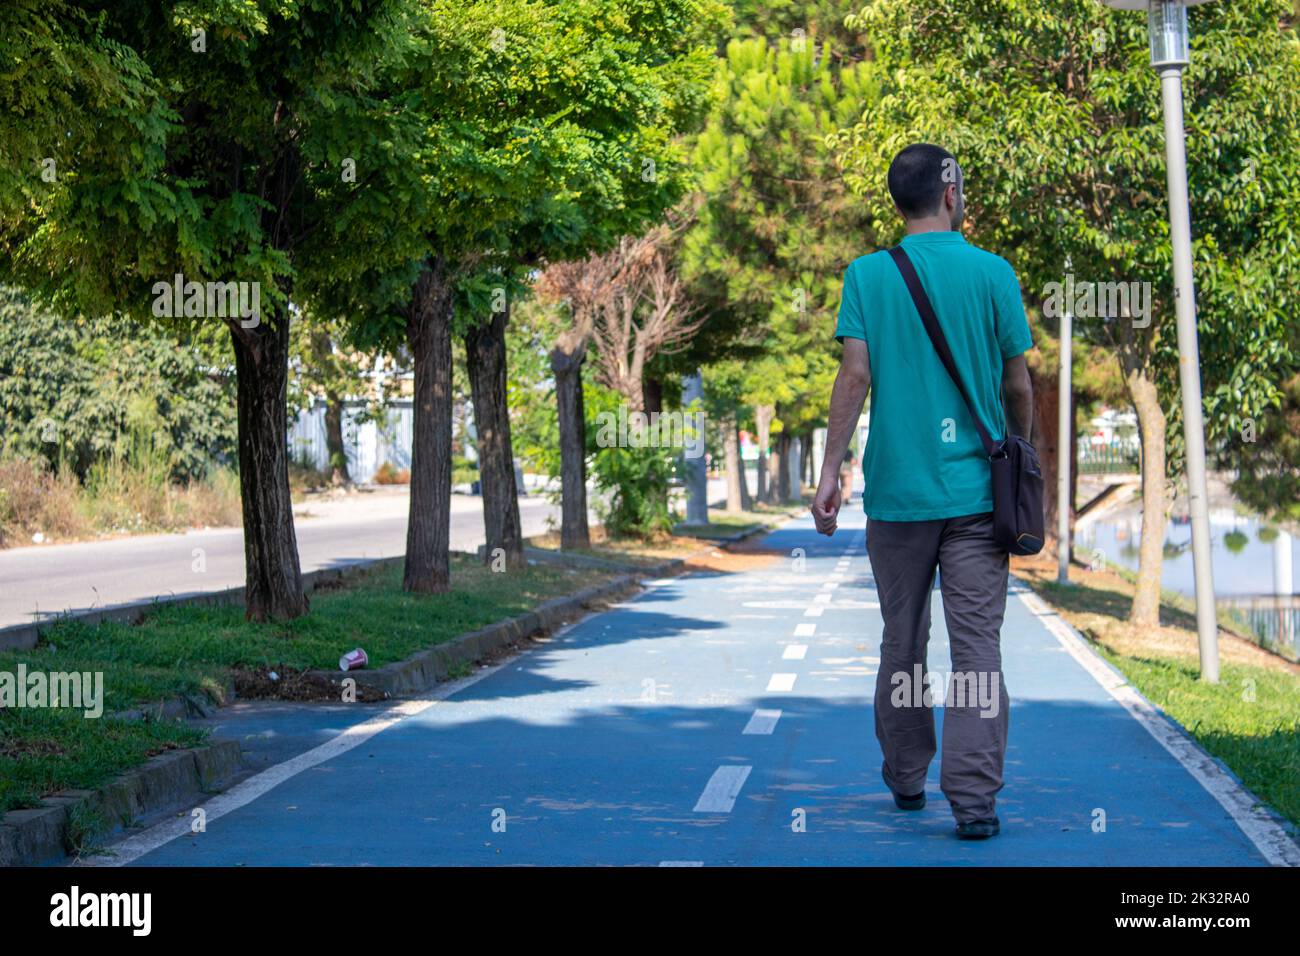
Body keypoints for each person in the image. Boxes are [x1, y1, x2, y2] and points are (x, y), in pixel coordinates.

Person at [811, 143, 1034, 840]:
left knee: (901, 641)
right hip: (975, 498)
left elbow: (854, 378)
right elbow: (1017, 384)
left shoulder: (867, 277)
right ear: (949, 191)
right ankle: (973, 801)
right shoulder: (993, 273)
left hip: (898, 496)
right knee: (977, 651)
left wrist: (829, 472)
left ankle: (907, 775)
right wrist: (1017, 449)